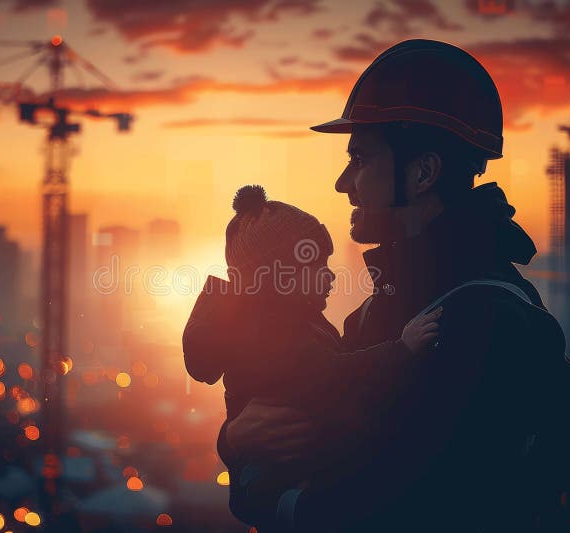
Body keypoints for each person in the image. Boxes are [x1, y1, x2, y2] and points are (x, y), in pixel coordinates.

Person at [221, 39, 570, 532]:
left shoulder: (486, 323)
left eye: (361, 160)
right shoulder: (383, 312)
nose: (343, 183)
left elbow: (411, 504)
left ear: (423, 173)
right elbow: (322, 443)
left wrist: (275, 502)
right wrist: (237, 439)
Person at [183, 184, 443, 531]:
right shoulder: (275, 333)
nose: (331, 274)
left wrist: (232, 440)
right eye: (317, 264)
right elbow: (333, 372)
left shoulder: (283, 323)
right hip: (284, 477)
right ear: (282, 278)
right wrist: (402, 348)